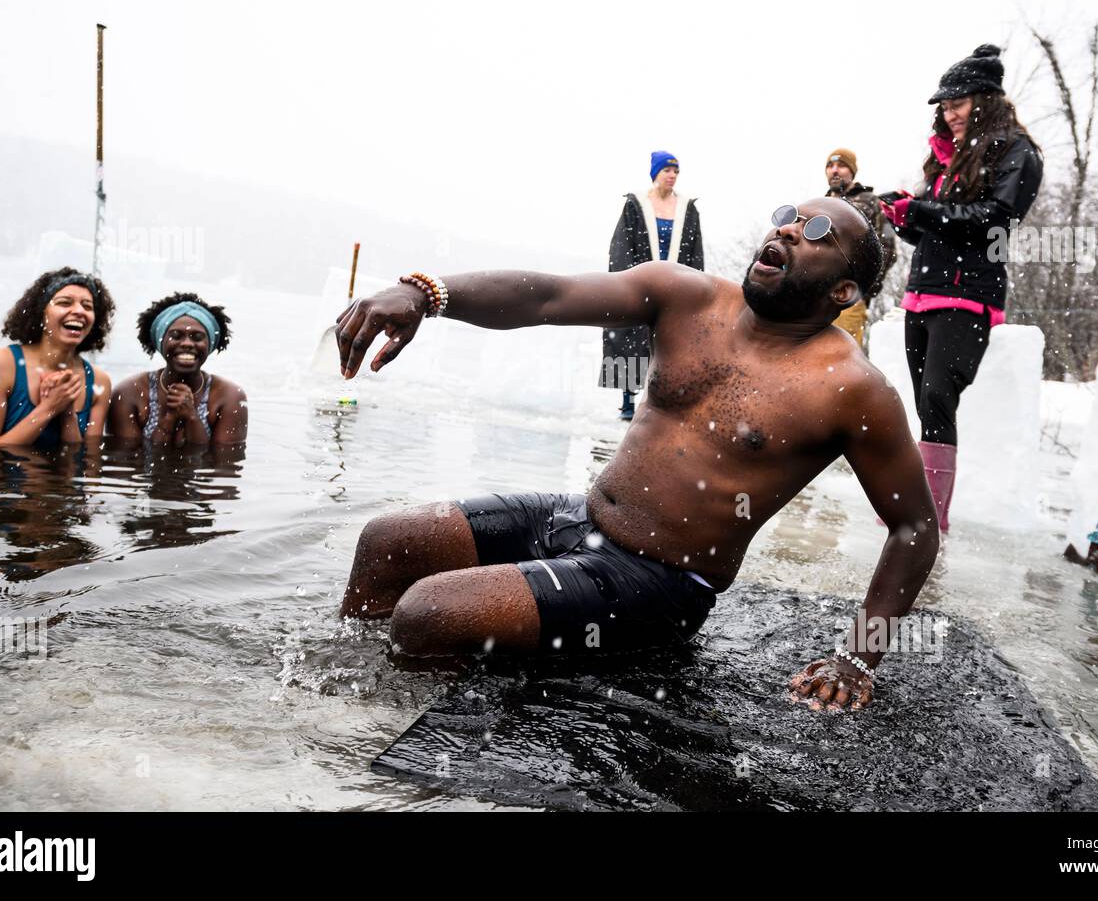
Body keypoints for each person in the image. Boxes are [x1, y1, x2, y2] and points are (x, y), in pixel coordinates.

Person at [333, 198, 940, 711]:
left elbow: (914, 528)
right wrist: (424, 293)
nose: (785, 228)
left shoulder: (853, 388)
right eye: (787, 215)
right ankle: (335, 699)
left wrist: (857, 659)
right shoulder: (688, 297)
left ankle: (403, 737)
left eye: (814, 233)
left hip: (659, 581)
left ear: (843, 289)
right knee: (390, 540)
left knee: (429, 613)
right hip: (581, 519)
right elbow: (546, 297)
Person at [880, 44, 1043, 532]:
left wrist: (924, 212)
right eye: (944, 106)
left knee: (936, 399)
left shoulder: (1019, 152)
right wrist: (905, 216)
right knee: (923, 404)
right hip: (922, 294)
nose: (949, 114)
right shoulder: (946, 159)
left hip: (970, 296)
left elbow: (995, 219)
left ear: (986, 101)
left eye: (958, 103)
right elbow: (934, 229)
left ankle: (930, 522)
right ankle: (919, 513)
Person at [0, 268, 114, 449]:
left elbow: (86, 463)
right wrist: (48, 409)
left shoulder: (99, 381)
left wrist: (67, 412)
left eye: (87, 306)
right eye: (65, 303)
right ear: (41, 312)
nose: (79, 311)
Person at [600, 150, 704, 421]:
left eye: (676, 172)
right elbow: (622, 245)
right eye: (667, 170)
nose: (672, 176)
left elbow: (694, 250)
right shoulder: (636, 204)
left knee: (669, 341)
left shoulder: (687, 208)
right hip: (641, 282)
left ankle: (659, 401)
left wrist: (695, 284)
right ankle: (626, 400)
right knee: (629, 335)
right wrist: (627, 280)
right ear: (656, 172)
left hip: (676, 286)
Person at [108, 292, 248, 445]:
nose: (187, 343)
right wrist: (169, 418)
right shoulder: (129, 392)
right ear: (160, 343)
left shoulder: (229, 396)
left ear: (210, 344)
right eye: (176, 335)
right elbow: (125, 461)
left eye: (197, 337)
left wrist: (191, 416)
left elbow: (223, 463)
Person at [824, 147, 897, 344]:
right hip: (816, 297)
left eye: (841, 165)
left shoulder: (871, 202)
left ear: (852, 171)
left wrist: (862, 288)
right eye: (830, 166)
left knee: (841, 359)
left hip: (848, 297)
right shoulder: (820, 205)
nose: (835, 170)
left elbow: (888, 249)